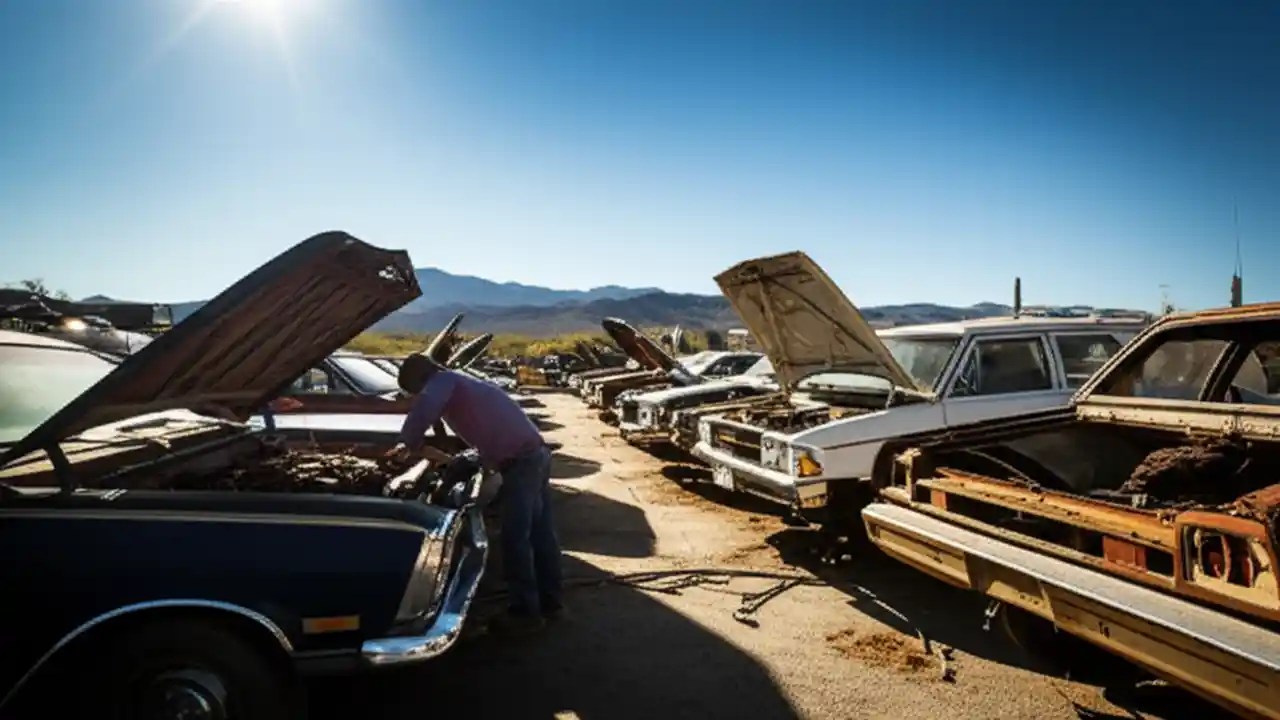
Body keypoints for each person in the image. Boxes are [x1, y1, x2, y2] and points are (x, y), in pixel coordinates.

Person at [387, 354, 563, 635]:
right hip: (534, 454)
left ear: (422, 379)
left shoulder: (443, 382)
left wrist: (407, 442)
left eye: (416, 391)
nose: (418, 396)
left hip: (522, 461)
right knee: (539, 533)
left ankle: (526, 613)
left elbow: (427, 406)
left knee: (515, 537)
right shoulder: (460, 382)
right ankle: (551, 601)